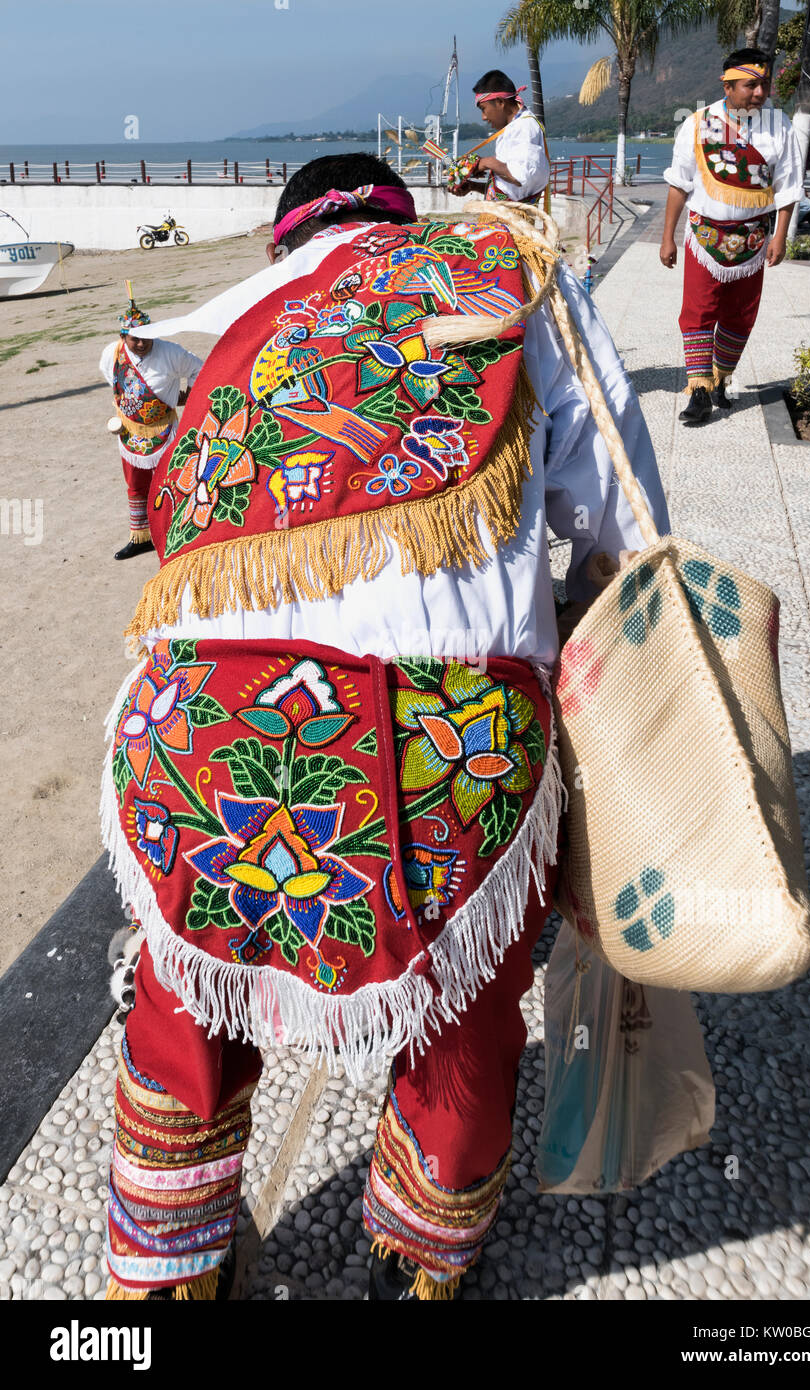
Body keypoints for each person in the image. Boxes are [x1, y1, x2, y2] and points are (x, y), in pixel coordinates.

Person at [99, 152, 668, 1301]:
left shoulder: (230, 331)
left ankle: (163, 1276)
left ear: (284, 241)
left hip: (205, 738)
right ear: (405, 221)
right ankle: (414, 1263)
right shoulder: (515, 269)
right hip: (441, 755)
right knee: (461, 1009)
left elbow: (173, 534)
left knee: (189, 990)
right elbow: (627, 521)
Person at [660, 47, 804, 425]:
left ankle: (722, 378)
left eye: (764, 84)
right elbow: (678, 184)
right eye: (750, 85)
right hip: (705, 237)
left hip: (754, 240)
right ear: (727, 85)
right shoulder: (697, 124)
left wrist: (780, 236)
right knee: (698, 311)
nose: (759, 92)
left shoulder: (780, 125)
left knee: (740, 315)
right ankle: (700, 390)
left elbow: (789, 186)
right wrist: (667, 237)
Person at [99, 291, 203, 558]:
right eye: (135, 339)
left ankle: (175, 531)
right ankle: (141, 535)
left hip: (163, 431)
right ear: (122, 338)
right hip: (130, 432)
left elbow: (198, 369)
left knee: (171, 480)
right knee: (135, 485)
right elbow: (111, 379)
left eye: (147, 338)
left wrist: (186, 398)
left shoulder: (170, 352)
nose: (142, 344)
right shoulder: (112, 353)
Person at [451, 69, 550, 206]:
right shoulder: (515, 126)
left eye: (483, 109)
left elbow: (521, 177)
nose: (483, 117)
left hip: (510, 222)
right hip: (504, 218)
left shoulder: (524, 127)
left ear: (500, 102)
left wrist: (486, 163)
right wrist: (474, 186)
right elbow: (512, 191)